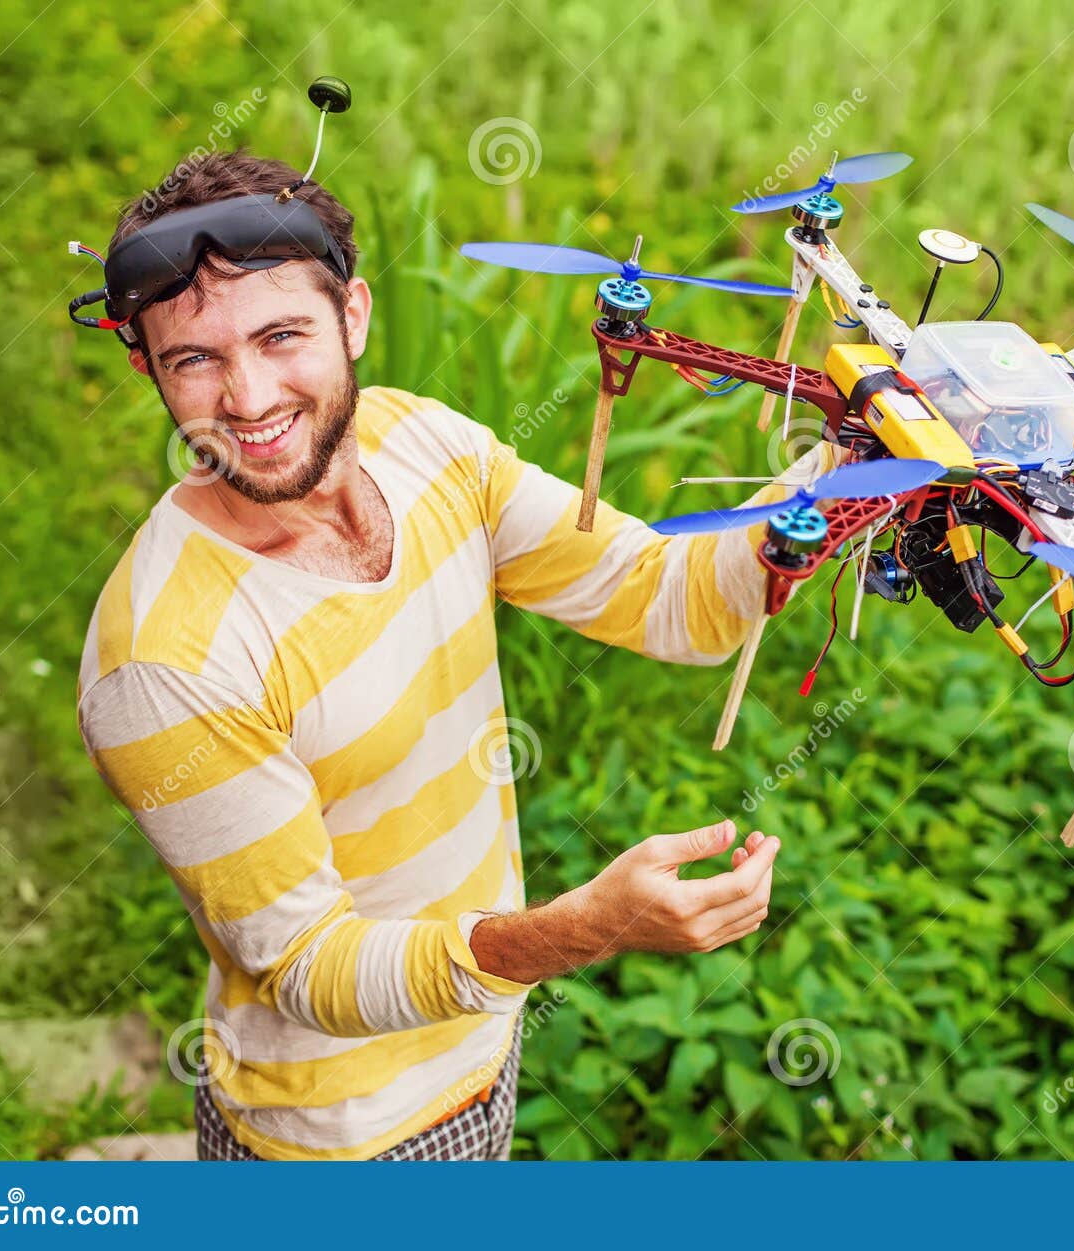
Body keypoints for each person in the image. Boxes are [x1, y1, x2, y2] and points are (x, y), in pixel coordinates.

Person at [74, 148, 839, 1161]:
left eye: (280, 335)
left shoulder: (423, 445)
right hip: (339, 1136)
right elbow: (310, 968)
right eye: (195, 360)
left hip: (484, 1037)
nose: (248, 399)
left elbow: (668, 600)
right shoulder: (164, 663)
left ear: (352, 317)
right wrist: (579, 930)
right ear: (151, 370)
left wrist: (855, 463)